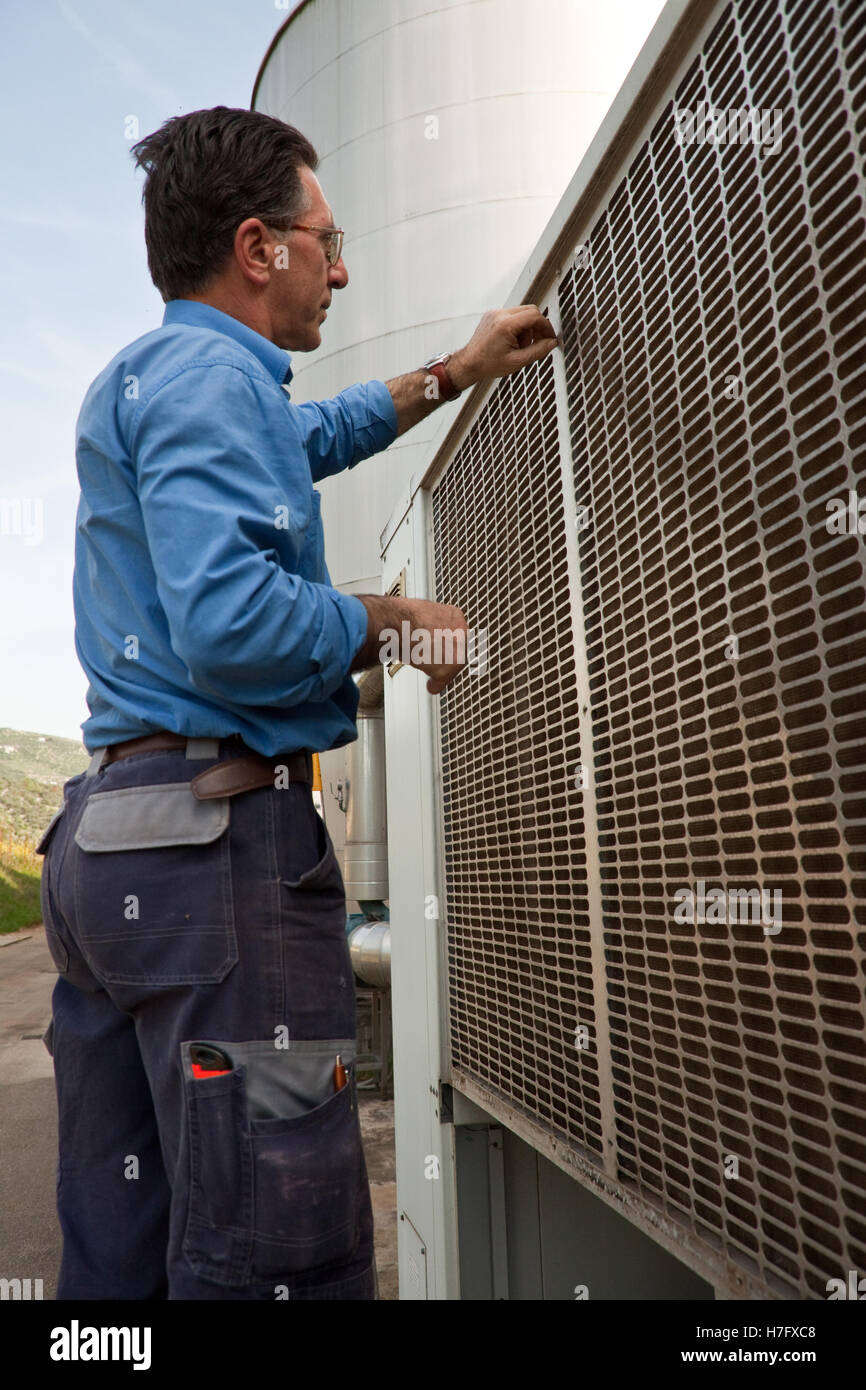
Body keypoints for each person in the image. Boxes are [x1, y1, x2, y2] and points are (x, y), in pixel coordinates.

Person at [37, 105, 557, 1301]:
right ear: (260, 244)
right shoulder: (216, 376)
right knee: (277, 1235)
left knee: (119, 1244)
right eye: (329, 238)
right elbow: (234, 630)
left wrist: (449, 374)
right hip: (215, 869)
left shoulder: (153, 372)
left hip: (114, 847)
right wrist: (386, 616)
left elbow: (300, 434)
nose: (343, 264)